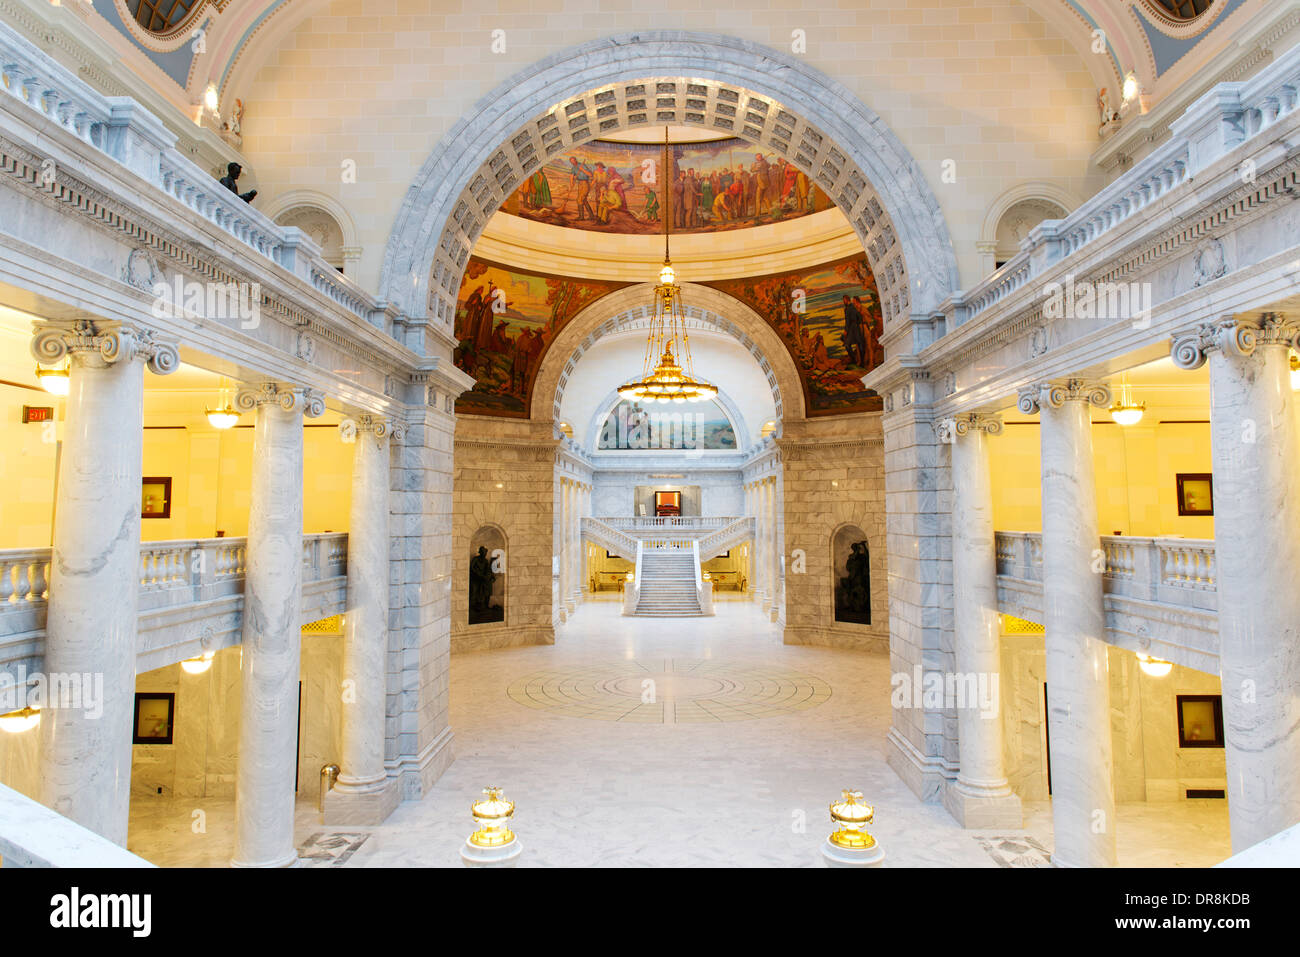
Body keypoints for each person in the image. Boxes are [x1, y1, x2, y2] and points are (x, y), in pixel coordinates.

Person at [842, 294, 866, 367]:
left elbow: (848, 320)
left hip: (853, 328)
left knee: (855, 344)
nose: (843, 302)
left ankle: (859, 361)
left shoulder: (849, 308)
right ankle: (856, 361)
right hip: (854, 328)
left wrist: (846, 330)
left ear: (847, 300)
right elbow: (859, 317)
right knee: (855, 344)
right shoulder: (851, 307)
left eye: (844, 300)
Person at [568, 156, 594, 221]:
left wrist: (582, 170)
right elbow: (571, 176)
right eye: (571, 162)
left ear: (576, 160)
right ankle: (591, 216)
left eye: (573, 161)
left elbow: (590, 175)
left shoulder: (582, 165)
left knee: (579, 200)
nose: (573, 162)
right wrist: (571, 184)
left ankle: (581, 217)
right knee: (584, 200)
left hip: (585, 184)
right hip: (580, 184)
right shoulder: (573, 168)